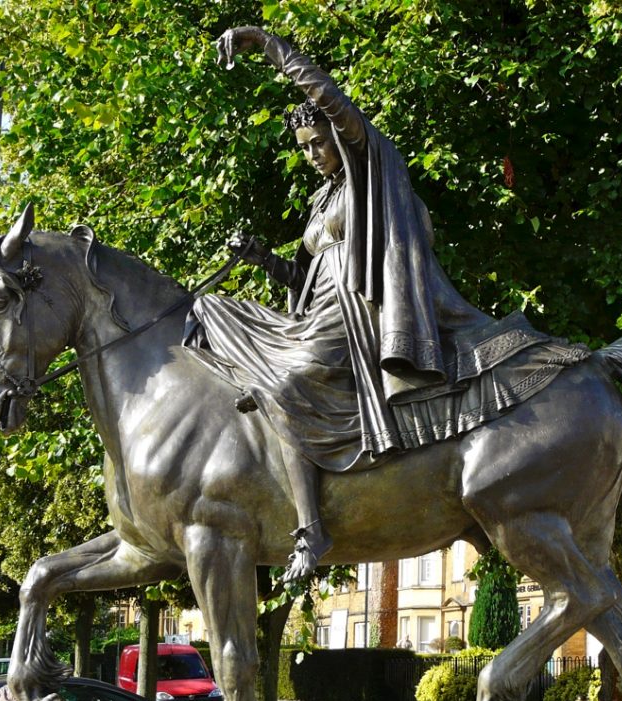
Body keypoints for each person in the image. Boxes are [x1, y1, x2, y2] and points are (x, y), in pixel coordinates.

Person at [189, 27, 582, 582]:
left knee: (281, 383)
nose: (312, 155)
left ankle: (311, 528)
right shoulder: (322, 199)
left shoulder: (367, 173)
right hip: (318, 317)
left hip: (358, 319)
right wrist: (265, 261)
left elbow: (327, 96)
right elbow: (308, 277)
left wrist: (267, 45)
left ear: (341, 136)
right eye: (303, 148)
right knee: (215, 314)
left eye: (319, 142)